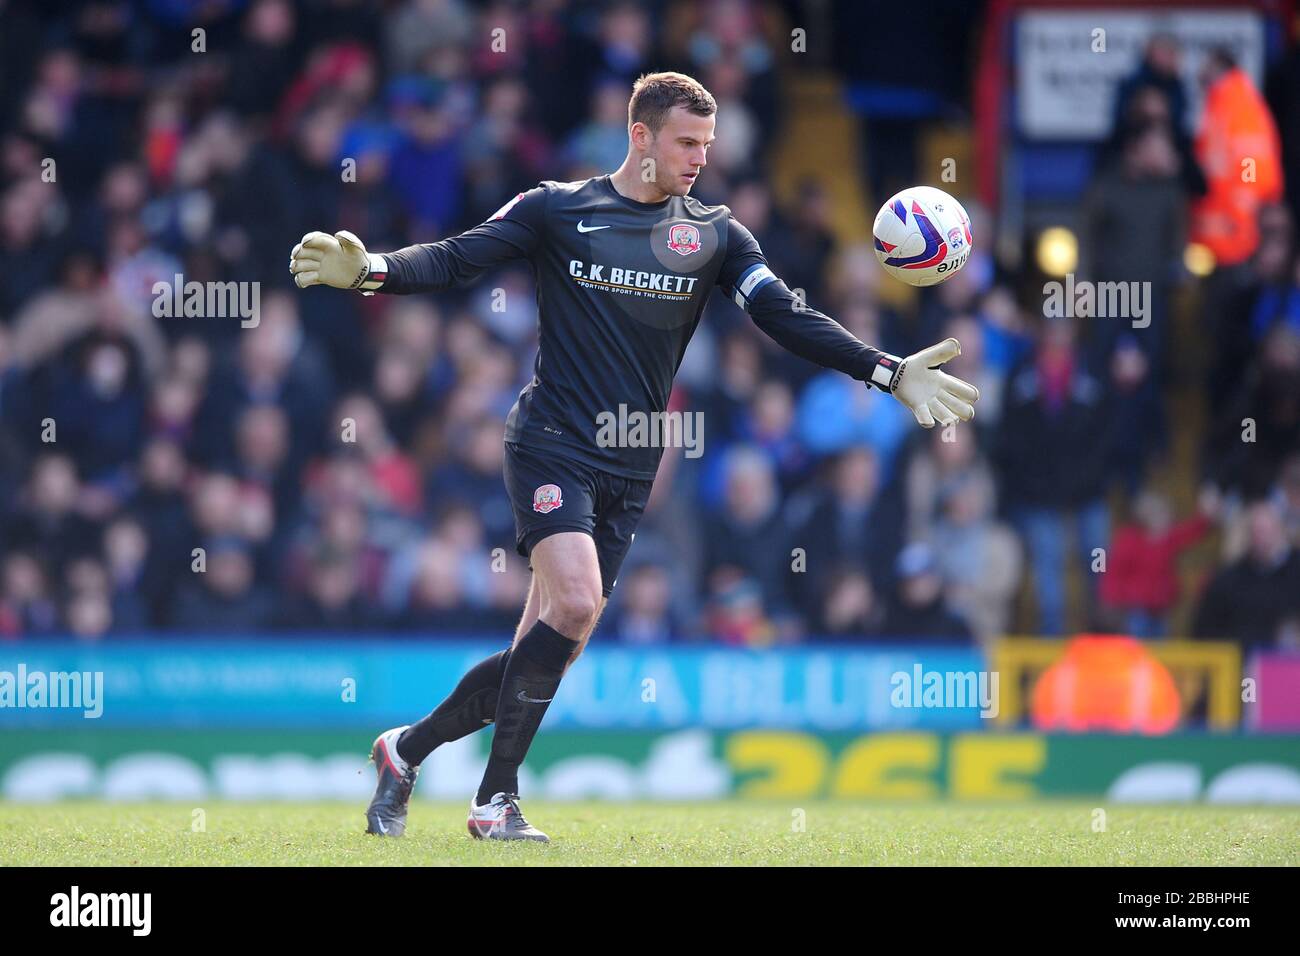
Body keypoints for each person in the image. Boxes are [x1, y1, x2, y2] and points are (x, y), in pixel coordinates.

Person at [288, 71, 980, 841]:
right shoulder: (558, 208)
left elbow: (784, 316)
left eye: (707, 145)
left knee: (545, 649)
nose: (699, 158)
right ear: (640, 135)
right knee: (577, 604)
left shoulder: (715, 235)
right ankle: (495, 804)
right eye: (686, 142)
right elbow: (457, 259)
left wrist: (885, 371)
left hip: (632, 464)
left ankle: (404, 750)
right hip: (550, 441)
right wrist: (374, 271)